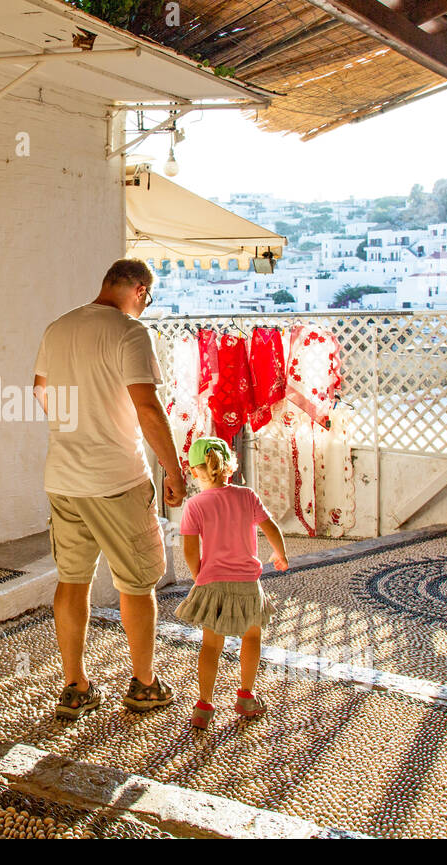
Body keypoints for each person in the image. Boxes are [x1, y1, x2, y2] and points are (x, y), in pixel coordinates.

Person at [32, 258, 188, 720]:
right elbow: (148, 407)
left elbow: (40, 392)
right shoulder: (130, 333)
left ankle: (75, 686)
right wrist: (174, 473)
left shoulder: (58, 329)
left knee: (71, 581)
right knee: (137, 584)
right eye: (149, 298)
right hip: (118, 479)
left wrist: (75, 429)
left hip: (64, 479)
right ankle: (142, 684)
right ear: (139, 290)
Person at [174, 437, 288, 729]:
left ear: (195, 472)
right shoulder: (247, 496)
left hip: (212, 582)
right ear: (230, 466)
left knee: (211, 646)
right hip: (247, 583)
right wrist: (280, 554)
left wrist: (199, 574)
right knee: (251, 638)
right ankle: (246, 697)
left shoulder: (194, 505)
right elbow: (270, 527)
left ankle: (204, 706)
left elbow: (190, 550)